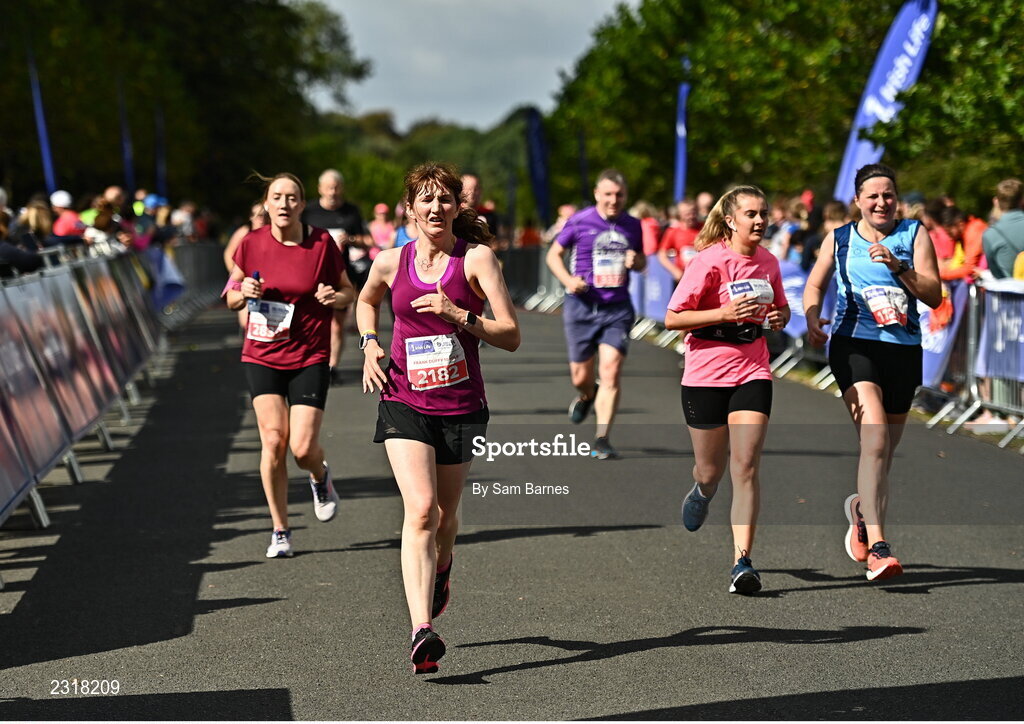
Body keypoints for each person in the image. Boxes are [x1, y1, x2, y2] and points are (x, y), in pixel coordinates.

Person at [357, 163, 520, 675]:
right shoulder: (389, 261)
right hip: (403, 398)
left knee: (446, 517)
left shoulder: (476, 260)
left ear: (457, 207)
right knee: (422, 510)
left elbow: (510, 334)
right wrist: (369, 344)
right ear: (409, 208)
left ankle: (442, 568)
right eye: (425, 200)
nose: (435, 208)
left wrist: (458, 315)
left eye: (444, 200)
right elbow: (366, 302)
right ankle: (422, 629)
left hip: (462, 406)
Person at [803, 163, 941, 582]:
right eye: (873, 196)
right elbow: (814, 285)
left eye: (888, 195)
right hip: (854, 346)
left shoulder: (914, 234)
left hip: (902, 349)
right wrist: (812, 317)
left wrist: (900, 266)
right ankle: (879, 547)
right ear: (858, 201)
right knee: (875, 435)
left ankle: (861, 511)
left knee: (883, 454)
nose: (881, 203)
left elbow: (934, 294)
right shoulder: (840, 239)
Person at [664, 185, 789, 594]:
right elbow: (672, 318)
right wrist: (723, 312)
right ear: (731, 220)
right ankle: (702, 489)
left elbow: (781, 307)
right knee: (711, 470)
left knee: (747, 466)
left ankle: (742, 563)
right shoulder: (709, 261)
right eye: (750, 214)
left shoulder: (769, 261)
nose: (759, 221)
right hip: (704, 375)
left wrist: (778, 318)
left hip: (752, 368)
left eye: (763, 214)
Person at [224, 173, 355, 559]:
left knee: (300, 448)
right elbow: (231, 292)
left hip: (310, 354)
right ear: (266, 203)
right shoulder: (251, 244)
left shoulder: (321, 244)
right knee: (273, 440)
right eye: (276, 197)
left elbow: (350, 291)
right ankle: (280, 529)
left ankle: (319, 475)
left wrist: (335, 296)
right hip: (262, 352)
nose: (283, 204)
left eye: (292, 197)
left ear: (302, 204)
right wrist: (241, 292)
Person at [546, 169, 645, 460]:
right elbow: (553, 255)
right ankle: (588, 394)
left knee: (611, 371)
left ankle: (602, 438)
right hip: (582, 305)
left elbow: (640, 262)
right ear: (597, 194)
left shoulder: (633, 226)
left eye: (619, 195)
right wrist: (567, 281)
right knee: (580, 376)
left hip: (617, 308)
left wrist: (635, 260)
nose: (614, 200)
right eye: (608, 194)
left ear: (625, 196)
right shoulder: (579, 221)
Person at [302, 169, 368, 384]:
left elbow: (367, 240)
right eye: (328, 187)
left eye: (336, 187)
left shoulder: (351, 211)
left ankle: (332, 366)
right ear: (320, 189)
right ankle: (310, 363)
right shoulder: (308, 211)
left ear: (342, 188)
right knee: (311, 321)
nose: (332, 191)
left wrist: (349, 239)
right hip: (311, 275)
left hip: (341, 274)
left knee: (338, 323)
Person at [224, 201, 270, 329]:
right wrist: (233, 272)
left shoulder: (273, 233)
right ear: (251, 217)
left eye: (263, 214)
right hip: (244, 278)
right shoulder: (244, 232)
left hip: (263, 280)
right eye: (256, 215)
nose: (260, 218)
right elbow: (228, 252)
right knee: (245, 322)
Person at [982, 178, 1024, 280]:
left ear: (996, 202)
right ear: (1022, 200)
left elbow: (996, 273)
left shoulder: (990, 235)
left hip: (1011, 294)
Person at [657, 198, 702, 281]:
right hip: (683, 278)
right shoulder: (673, 231)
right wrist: (675, 271)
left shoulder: (706, 229)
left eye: (693, 212)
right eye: (687, 214)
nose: (691, 216)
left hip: (704, 276)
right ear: (680, 214)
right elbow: (661, 255)